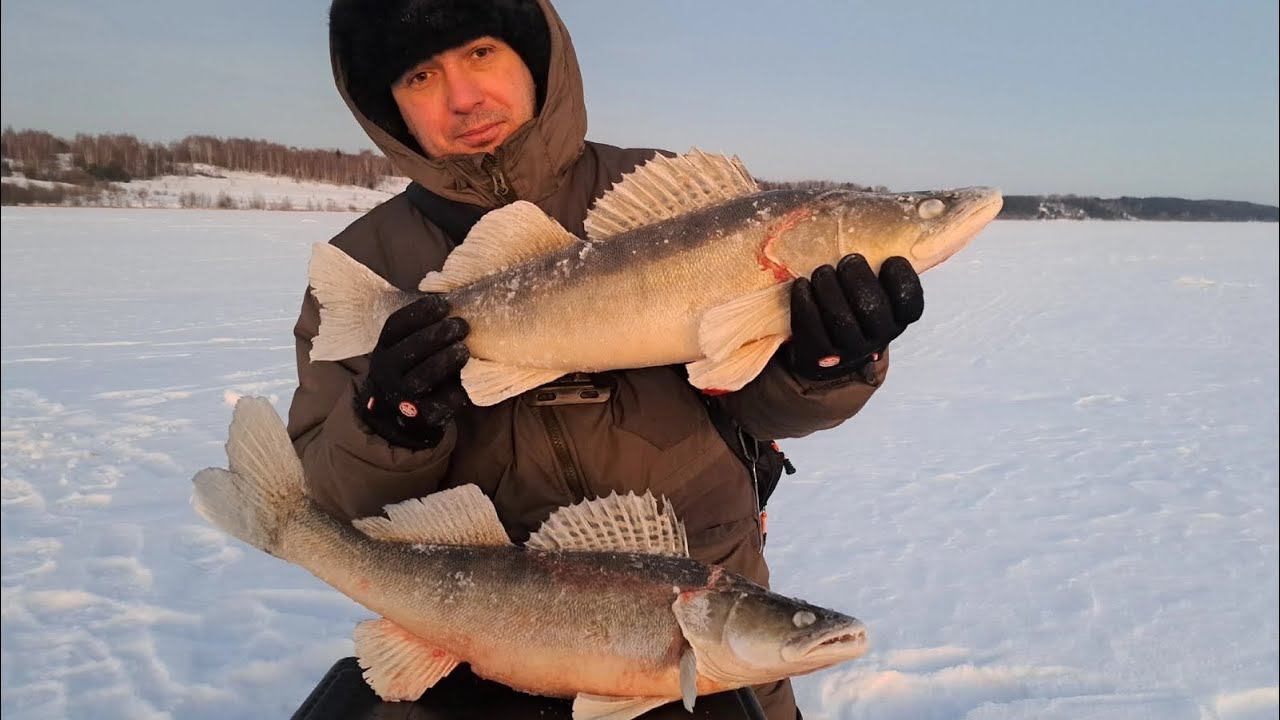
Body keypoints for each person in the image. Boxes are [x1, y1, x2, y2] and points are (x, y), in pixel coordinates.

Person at [289, 1, 925, 718]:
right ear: (389, 106)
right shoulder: (363, 269)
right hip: (479, 651)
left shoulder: (671, 198)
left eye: (480, 54)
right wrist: (387, 426)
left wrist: (825, 367)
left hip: (703, 628)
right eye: (420, 76)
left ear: (532, 56)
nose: (463, 99)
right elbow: (335, 497)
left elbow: (757, 406)